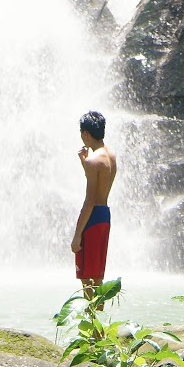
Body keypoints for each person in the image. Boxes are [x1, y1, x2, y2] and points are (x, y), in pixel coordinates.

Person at [71, 109, 116, 293]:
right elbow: (99, 185)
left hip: (92, 217)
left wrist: (77, 235)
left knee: (86, 277)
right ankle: (98, 318)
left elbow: (89, 201)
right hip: (104, 215)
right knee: (97, 275)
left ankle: (91, 318)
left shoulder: (93, 162)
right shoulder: (110, 156)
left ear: (86, 134)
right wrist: (84, 163)